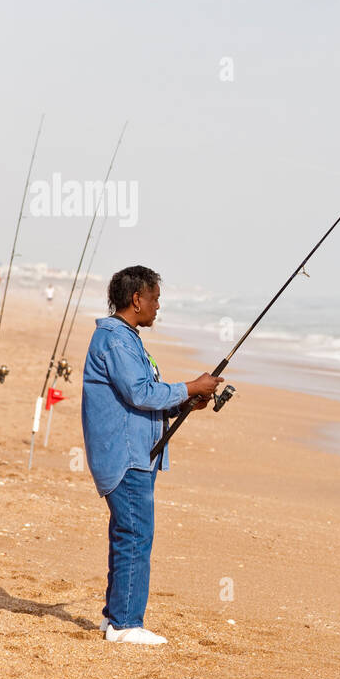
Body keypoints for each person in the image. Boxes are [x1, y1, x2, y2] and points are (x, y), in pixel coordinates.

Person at [80, 266, 224, 644]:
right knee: (136, 535)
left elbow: (143, 398)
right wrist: (190, 384)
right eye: (155, 298)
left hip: (137, 454)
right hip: (125, 456)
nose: (158, 306)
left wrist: (187, 402)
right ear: (136, 300)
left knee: (126, 533)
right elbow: (140, 393)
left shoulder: (126, 338)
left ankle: (115, 618)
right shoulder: (116, 340)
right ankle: (127, 624)